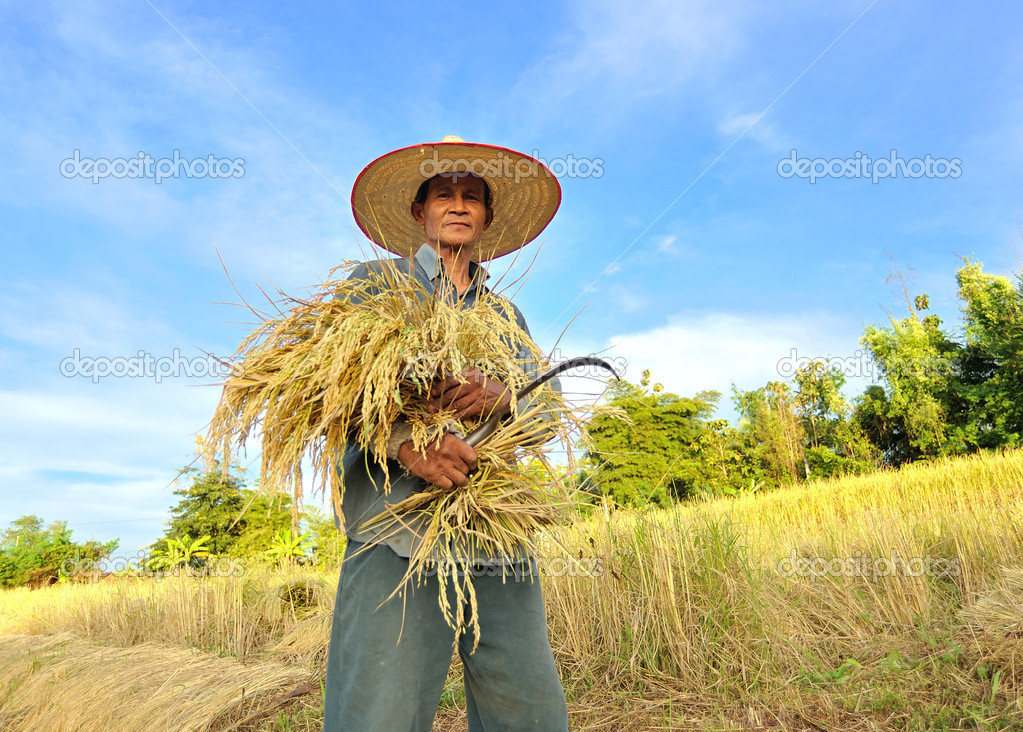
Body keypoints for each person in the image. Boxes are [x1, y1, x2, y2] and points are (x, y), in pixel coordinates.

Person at [322, 137, 569, 731]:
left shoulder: (506, 317)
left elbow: (550, 409)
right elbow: (328, 391)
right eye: (443, 193)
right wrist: (409, 446)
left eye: (471, 197)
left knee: (529, 709)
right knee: (378, 711)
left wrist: (504, 398)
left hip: (495, 531)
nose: (458, 205)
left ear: (485, 216)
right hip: (397, 529)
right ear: (419, 212)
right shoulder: (375, 287)